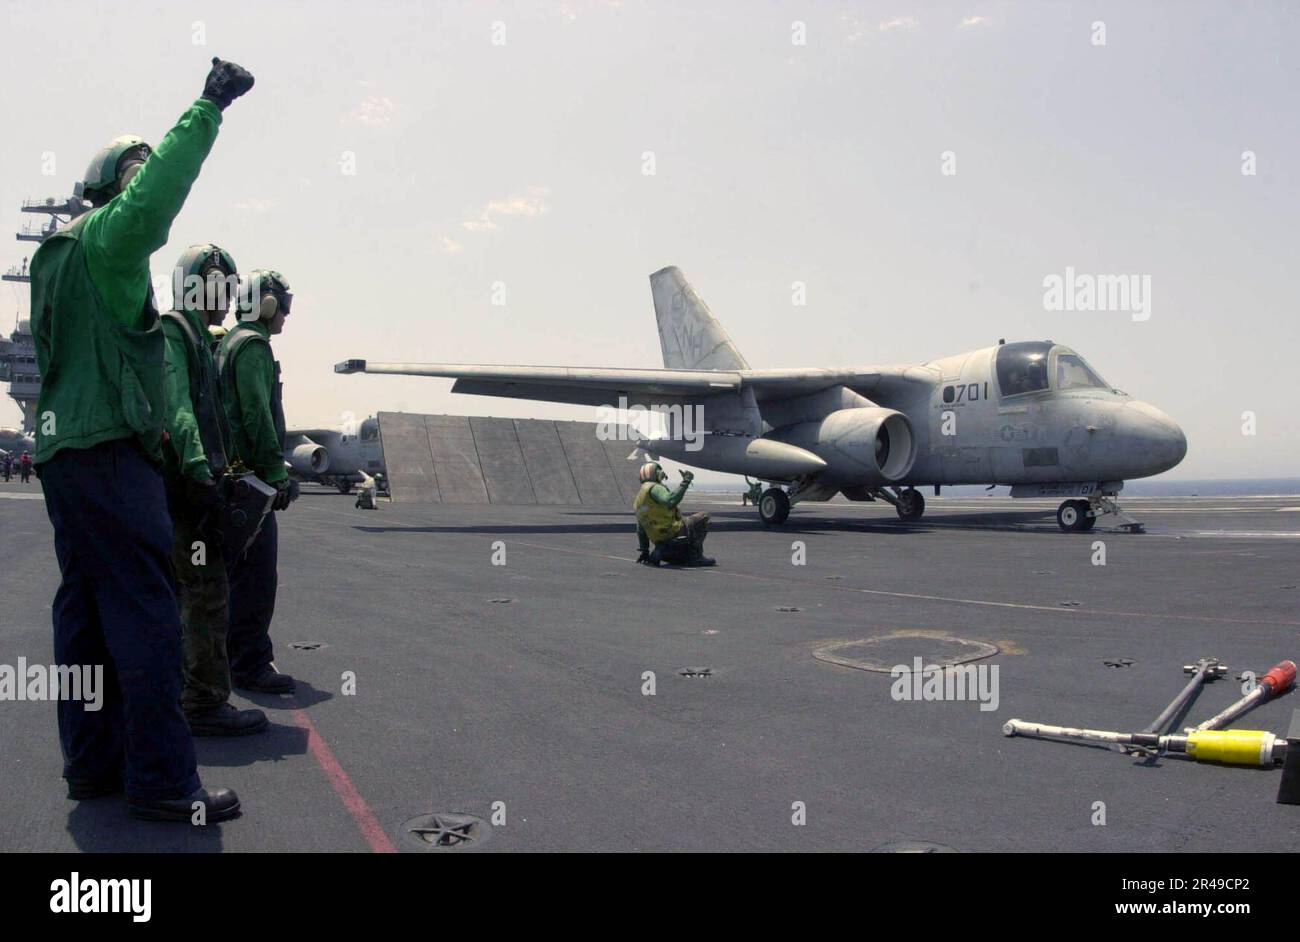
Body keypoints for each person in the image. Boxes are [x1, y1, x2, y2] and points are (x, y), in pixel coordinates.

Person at [29, 57, 254, 822]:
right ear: (110, 187)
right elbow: (156, 198)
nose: (140, 179)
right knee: (148, 615)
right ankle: (163, 780)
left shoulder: (51, 257)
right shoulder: (108, 241)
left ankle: (91, 768)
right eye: (131, 170)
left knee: (82, 620)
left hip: (63, 455)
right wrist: (209, 107)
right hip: (111, 455)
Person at [163, 244, 268, 736]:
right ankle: (202, 703)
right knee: (204, 594)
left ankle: (194, 694)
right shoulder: (175, 333)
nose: (228, 298)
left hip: (198, 486)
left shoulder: (201, 340)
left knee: (203, 592)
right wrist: (201, 473)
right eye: (219, 288)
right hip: (188, 492)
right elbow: (179, 410)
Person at [217, 269, 296, 694]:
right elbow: (255, 414)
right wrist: (276, 473)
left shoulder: (229, 341)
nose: (285, 313)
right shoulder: (252, 346)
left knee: (233, 576)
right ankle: (249, 664)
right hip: (249, 480)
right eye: (283, 304)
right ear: (266, 304)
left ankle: (229, 659)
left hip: (230, 475)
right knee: (258, 577)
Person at [633, 462, 715, 567]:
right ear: (656, 474)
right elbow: (670, 500)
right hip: (674, 535)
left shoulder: (638, 500)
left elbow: (640, 529)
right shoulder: (654, 488)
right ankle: (696, 557)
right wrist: (686, 481)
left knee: (680, 556)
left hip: (663, 548)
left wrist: (644, 551)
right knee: (704, 517)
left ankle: (663, 550)